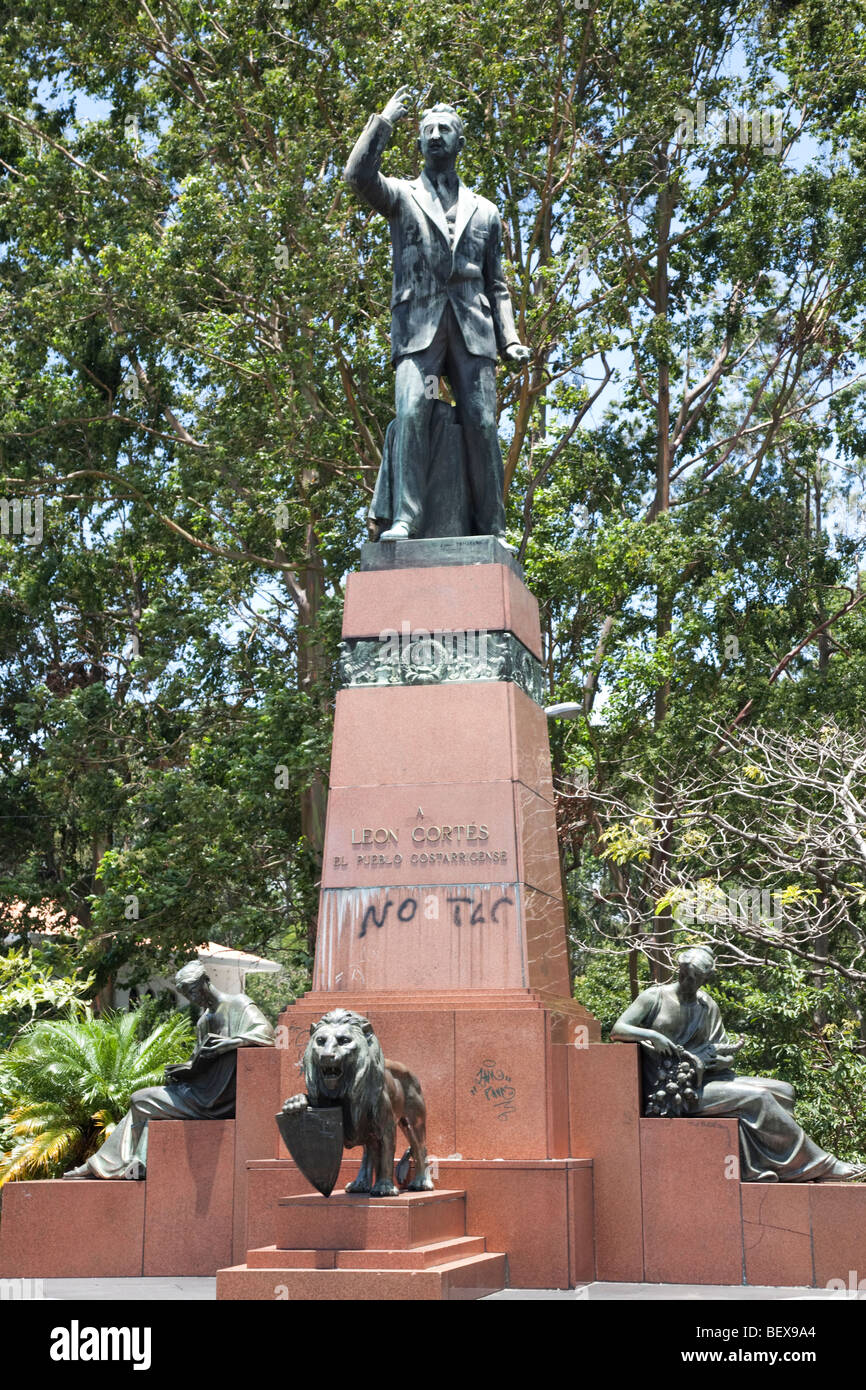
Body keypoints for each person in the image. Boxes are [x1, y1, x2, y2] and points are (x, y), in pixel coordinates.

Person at [344, 86, 531, 542]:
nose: (434, 135)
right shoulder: (401, 196)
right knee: (411, 411)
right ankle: (406, 518)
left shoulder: (486, 211)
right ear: (418, 142)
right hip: (418, 328)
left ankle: (492, 527)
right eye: (426, 130)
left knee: (482, 423)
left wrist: (509, 339)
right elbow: (357, 176)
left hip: (473, 330)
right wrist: (384, 120)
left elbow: (498, 285)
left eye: (444, 129)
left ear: (459, 142)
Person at [611, 945, 866, 1182]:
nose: (686, 981)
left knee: (784, 1090)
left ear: (706, 978)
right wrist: (654, 1036)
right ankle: (817, 1165)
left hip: (708, 1077)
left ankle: (772, 1164)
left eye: (694, 978)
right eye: (684, 974)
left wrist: (713, 1059)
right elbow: (617, 1029)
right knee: (759, 1099)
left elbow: (726, 1054)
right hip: (675, 1090)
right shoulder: (654, 997)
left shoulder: (706, 1005)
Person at [62, 961, 274, 1179]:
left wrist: (228, 1044)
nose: (194, 999)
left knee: (140, 1100)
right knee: (141, 1103)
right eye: (188, 995)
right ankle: (128, 1164)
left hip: (218, 1097)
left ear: (205, 982)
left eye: (194, 991)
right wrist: (183, 1070)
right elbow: (197, 1061)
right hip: (199, 1089)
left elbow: (267, 1033)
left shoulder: (238, 1003)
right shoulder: (204, 1021)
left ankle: (103, 1165)